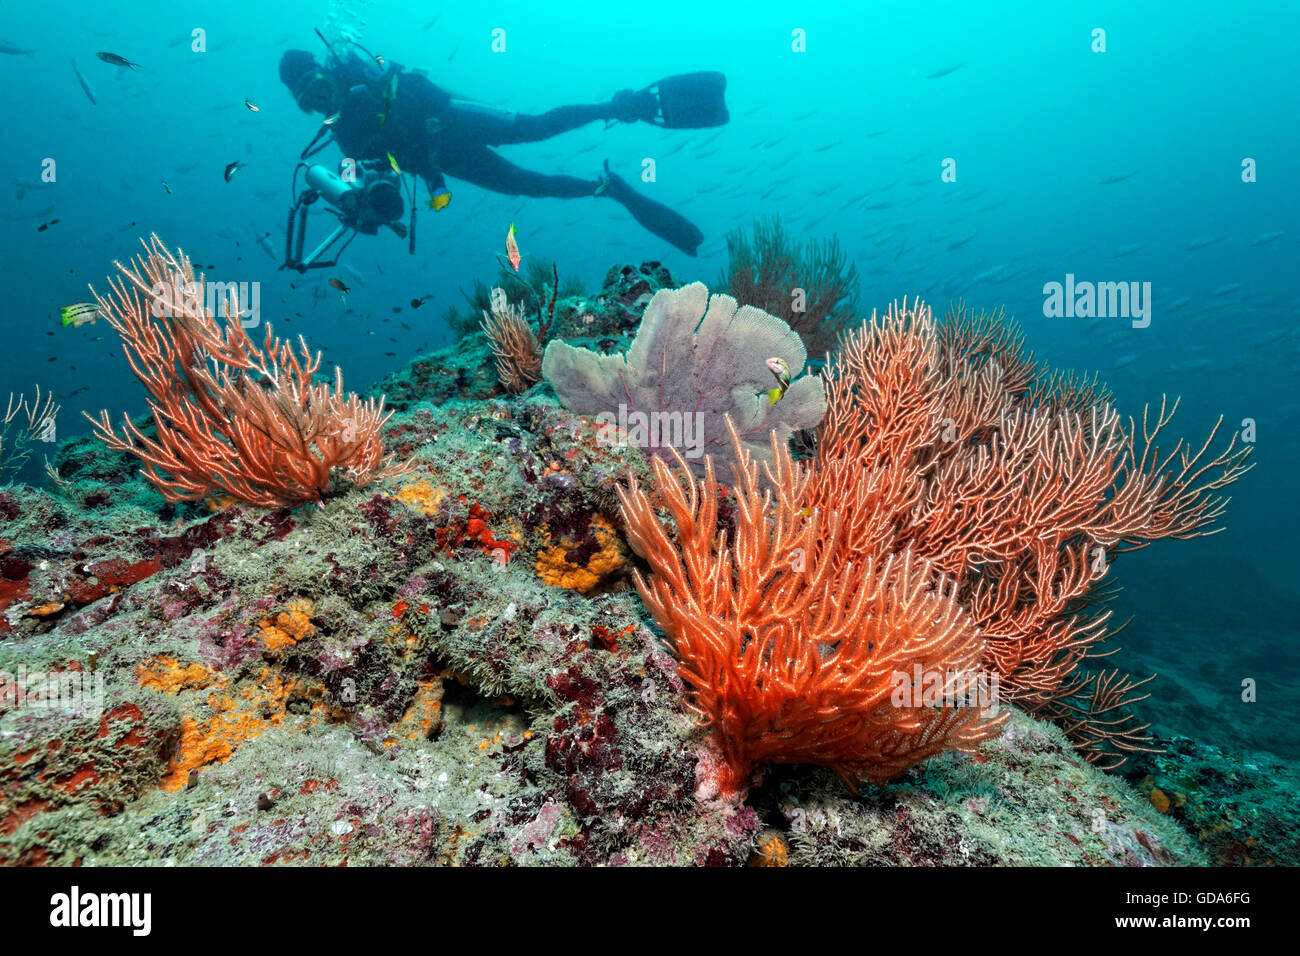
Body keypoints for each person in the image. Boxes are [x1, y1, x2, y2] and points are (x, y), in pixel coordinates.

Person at [278, 44, 727, 257]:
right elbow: (385, 182)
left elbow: (419, 91)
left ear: (323, 71)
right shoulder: (343, 136)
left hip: (454, 118)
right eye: (308, 103)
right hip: (448, 161)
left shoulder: (367, 78)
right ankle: (609, 188)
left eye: (316, 89)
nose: (319, 102)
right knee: (527, 185)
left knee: (535, 128)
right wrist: (364, 205)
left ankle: (621, 105)